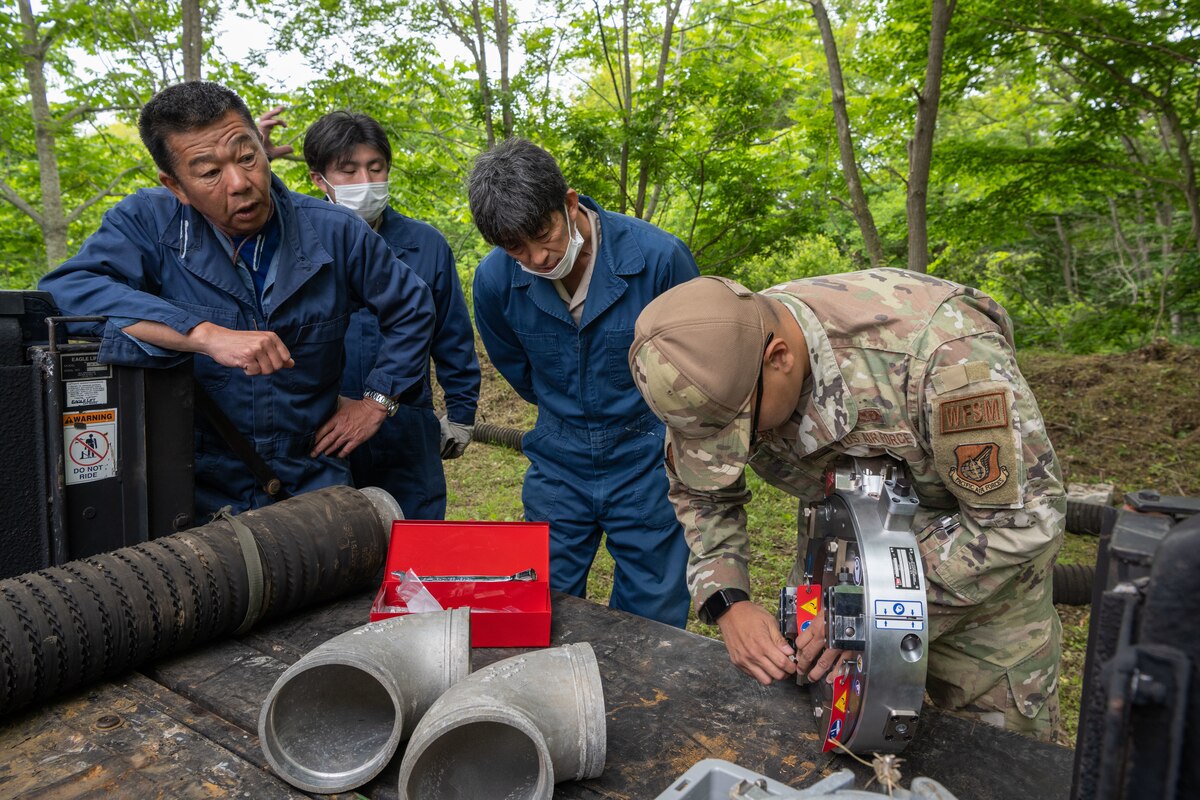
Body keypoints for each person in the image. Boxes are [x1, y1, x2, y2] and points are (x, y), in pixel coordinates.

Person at [629, 269, 1064, 741]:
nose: (735, 447)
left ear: (779, 359)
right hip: (836, 577)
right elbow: (702, 489)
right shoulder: (710, 366)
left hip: (976, 596)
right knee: (827, 749)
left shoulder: (943, 352)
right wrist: (728, 600)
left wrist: (870, 613)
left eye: (741, 433)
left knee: (995, 760)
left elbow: (1020, 520)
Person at [39, 82, 435, 518]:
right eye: (209, 172)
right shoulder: (147, 224)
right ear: (176, 185)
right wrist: (202, 335)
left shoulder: (335, 230)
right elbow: (68, 291)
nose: (241, 183)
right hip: (195, 481)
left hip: (312, 475)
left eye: (248, 157)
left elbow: (412, 308)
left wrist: (377, 402)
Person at [467, 138, 699, 628]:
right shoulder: (494, 281)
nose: (537, 257)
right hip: (558, 463)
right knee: (536, 606)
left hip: (648, 460)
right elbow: (520, 371)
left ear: (569, 203)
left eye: (542, 233)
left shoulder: (659, 260)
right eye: (515, 248)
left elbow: (695, 369)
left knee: (652, 613)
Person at [285, 110, 480, 520]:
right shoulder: (292, 247)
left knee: (414, 553)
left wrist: (461, 415)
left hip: (404, 426)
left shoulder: (425, 244)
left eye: (375, 168)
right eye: (349, 171)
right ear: (318, 179)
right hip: (320, 430)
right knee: (330, 551)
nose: (365, 182)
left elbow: (453, 338)